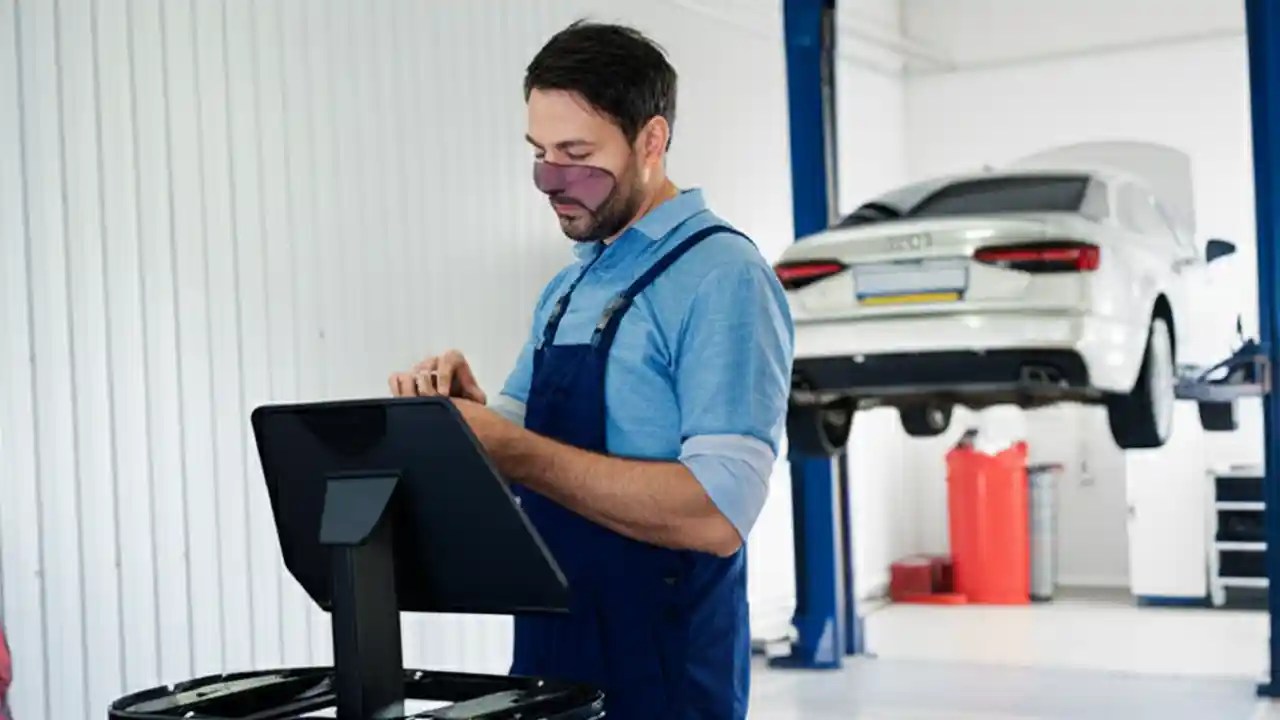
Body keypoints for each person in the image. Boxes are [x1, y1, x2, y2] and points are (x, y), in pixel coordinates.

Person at [389, 20, 793, 720]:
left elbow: (721, 511)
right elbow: (517, 437)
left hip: (662, 671)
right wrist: (467, 417)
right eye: (539, 152)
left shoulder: (724, 277)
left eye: (576, 152)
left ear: (652, 141)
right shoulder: (570, 287)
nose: (550, 179)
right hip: (553, 658)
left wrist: (512, 447)